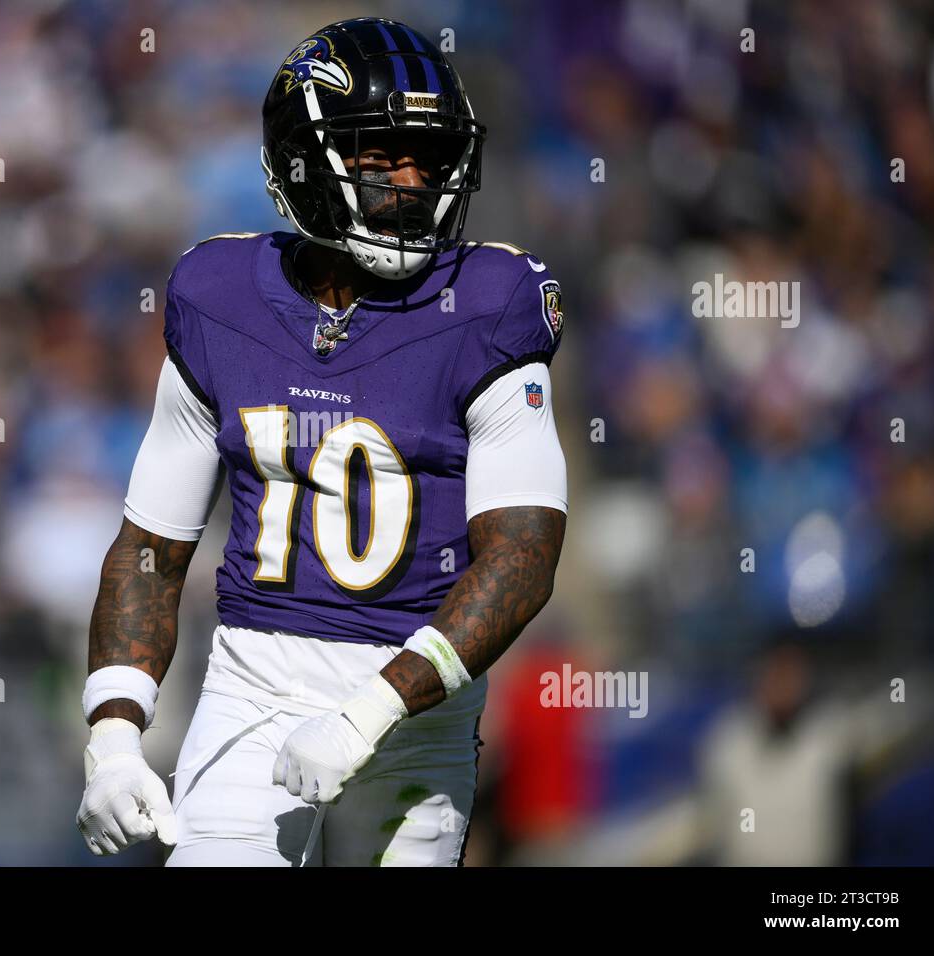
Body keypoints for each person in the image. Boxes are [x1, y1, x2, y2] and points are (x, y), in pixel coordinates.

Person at [75, 16, 568, 866]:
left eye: (432, 154)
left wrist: (374, 707)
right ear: (305, 159)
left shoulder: (488, 303)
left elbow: (522, 557)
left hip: (414, 702)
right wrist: (113, 737)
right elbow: (150, 548)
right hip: (252, 688)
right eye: (385, 153)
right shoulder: (218, 295)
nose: (416, 180)